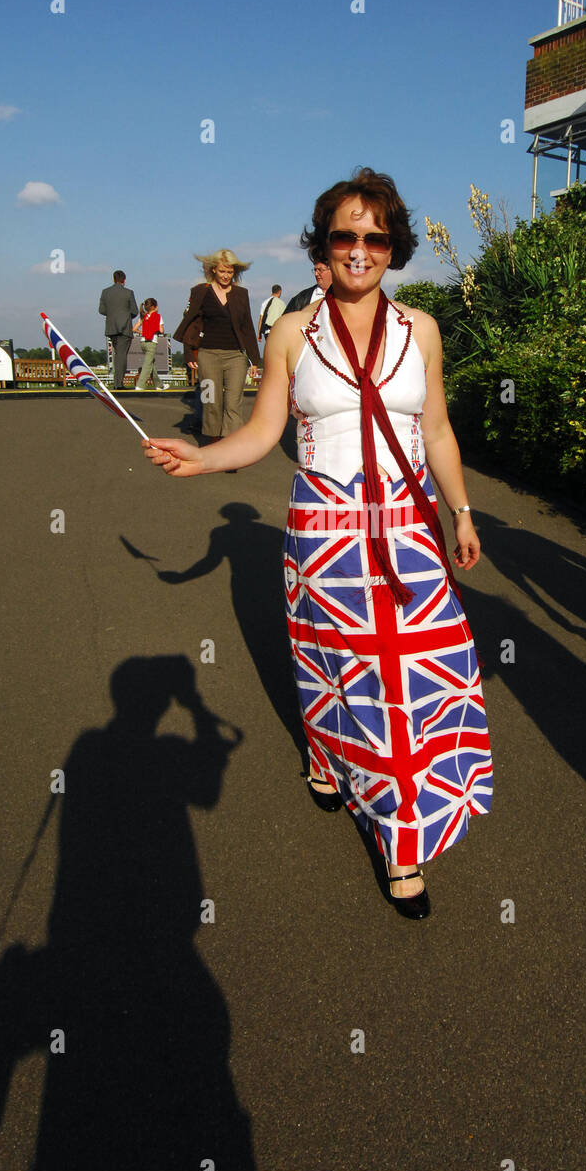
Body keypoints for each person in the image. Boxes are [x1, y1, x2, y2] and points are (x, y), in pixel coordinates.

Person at [144, 168, 493, 920]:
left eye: (374, 236)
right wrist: (203, 457)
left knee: (415, 684)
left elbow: (434, 431)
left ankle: (400, 833)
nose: (359, 249)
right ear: (324, 247)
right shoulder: (293, 332)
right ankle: (343, 771)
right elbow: (267, 432)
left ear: (392, 246)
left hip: (406, 530)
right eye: (345, 235)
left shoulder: (422, 331)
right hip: (327, 533)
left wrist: (461, 511)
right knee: (336, 664)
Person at [171, 250, 262, 445]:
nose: (226, 276)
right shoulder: (200, 292)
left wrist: (255, 360)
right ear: (214, 270)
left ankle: (230, 446)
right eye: (222, 271)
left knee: (233, 403)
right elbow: (191, 323)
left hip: (236, 356)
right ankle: (213, 441)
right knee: (211, 400)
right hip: (208, 355)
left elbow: (247, 327)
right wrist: (188, 353)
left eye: (230, 272)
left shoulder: (241, 294)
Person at [99, 270, 139, 391]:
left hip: (111, 328)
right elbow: (134, 311)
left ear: (113, 279)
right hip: (124, 327)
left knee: (117, 355)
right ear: (124, 280)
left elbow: (101, 310)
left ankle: (117, 382)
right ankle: (118, 383)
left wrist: (113, 315)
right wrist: (125, 316)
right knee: (121, 355)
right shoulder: (129, 293)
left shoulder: (105, 292)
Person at [132, 299, 168, 391]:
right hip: (152, 342)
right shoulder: (158, 316)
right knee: (147, 364)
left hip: (143, 342)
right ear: (154, 307)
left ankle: (159, 385)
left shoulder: (143, 316)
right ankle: (140, 385)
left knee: (151, 364)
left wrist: (142, 332)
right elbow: (161, 330)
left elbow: (134, 329)